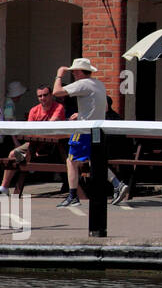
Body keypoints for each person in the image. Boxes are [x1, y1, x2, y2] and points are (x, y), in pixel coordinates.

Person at [53, 58, 129, 207]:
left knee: (71, 161)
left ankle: (73, 196)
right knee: (96, 160)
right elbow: (105, 108)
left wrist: (59, 75)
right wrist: (82, 112)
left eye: (75, 71)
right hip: (97, 129)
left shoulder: (82, 83)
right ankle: (117, 184)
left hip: (83, 130)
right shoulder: (99, 84)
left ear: (81, 71)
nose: (74, 74)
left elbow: (57, 92)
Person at [0, 85, 66, 197]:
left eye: (45, 95)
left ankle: (28, 166)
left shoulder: (58, 107)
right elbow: (30, 131)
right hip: (34, 144)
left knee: (23, 156)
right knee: (13, 154)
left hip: (54, 145)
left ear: (51, 95)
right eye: (40, 96)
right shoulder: (34, 110)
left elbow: (50, 127)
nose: (42, 98)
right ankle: (4, 187)